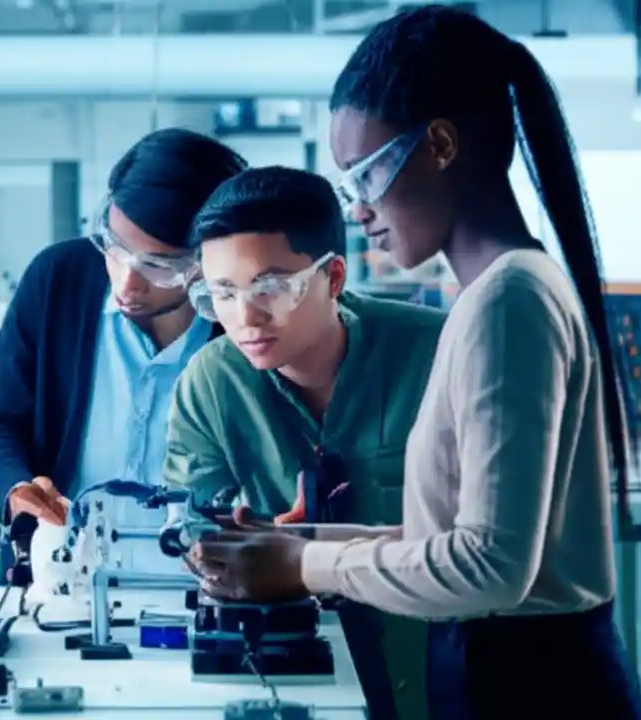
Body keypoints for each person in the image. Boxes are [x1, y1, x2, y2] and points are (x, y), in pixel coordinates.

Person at [190, 6, 641, 720]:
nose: (361, 210)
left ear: (439, 144)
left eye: (365, 177)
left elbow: (490, 567)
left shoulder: (508, 301)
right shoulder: (493, 295)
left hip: (529, 685)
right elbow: (451, 539)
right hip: (510, 668)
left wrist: (304, 565)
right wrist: (298, 542)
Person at [163, 165, 444, 719]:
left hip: (445, 665)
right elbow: (191, 521)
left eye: (270, 287)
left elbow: (482, 537)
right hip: (298, 675)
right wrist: (217, 550)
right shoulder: (211, 383)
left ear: (333, 277)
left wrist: (313, 549)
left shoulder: (438, 355)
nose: (245, 318)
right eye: (222, 293)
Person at [0, 128, 246, 574]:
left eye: (158, 266)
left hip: (201, 590)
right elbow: (8, 426)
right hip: (65, 585)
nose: (127, 282)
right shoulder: (56, 282)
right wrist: (16, 490)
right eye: (115, 249)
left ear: (209, 260)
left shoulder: (242, 325)